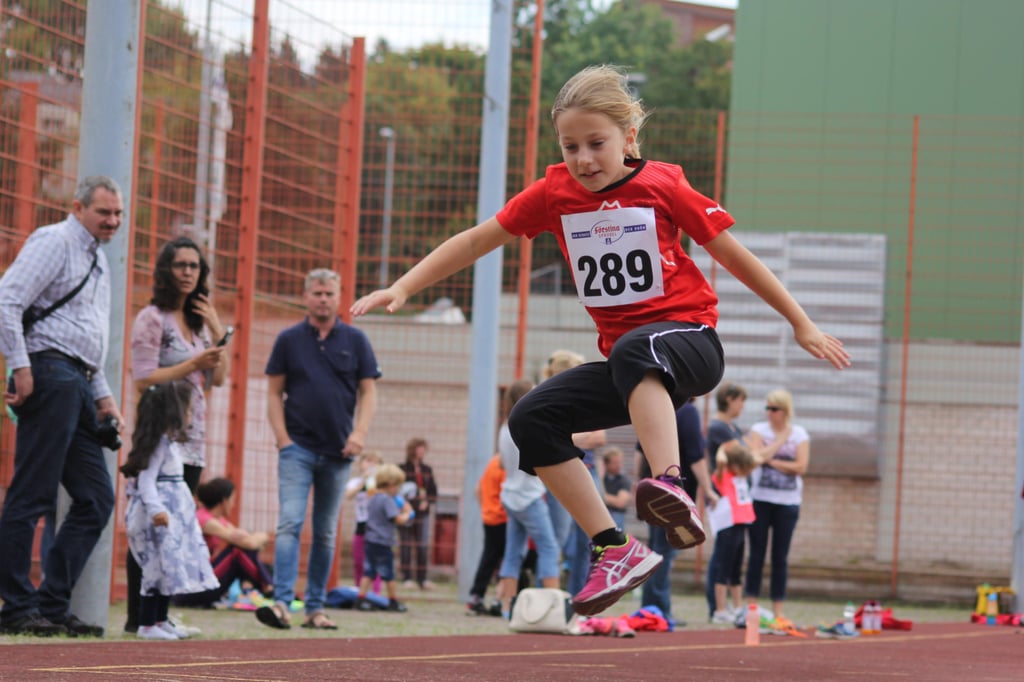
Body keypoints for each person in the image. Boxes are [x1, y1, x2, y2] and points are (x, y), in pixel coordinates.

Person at [351, 65, 850, 616]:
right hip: (633, 369)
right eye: (571, 147)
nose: (584, 159)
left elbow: (734, 255)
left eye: (597, 144)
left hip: (691, 343)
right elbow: (477, 239)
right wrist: (403, 285)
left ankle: (670, 484)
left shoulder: (663, 184)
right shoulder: (554, 194)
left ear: (629, 138)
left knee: (637, 345)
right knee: (529, 422)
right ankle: (614, 549)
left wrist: (799, 321)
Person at [0, 175, 125, 637]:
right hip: (49, 373)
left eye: (118, 214)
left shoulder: (97, 258)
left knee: (95, 498)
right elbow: (7, 298)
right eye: (103, 213)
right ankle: (15, 605)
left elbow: (91, 339)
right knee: (32, 492)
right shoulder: (54, 240)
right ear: (77, 207)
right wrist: (22, 366)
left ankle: (51, 605)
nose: (112, 221)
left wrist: (106, 398)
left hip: (79, 379)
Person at [257, 267, 381, 631]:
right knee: (290, 523)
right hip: (297, 449)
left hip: (339, 452)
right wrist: (282, 438)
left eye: (329, 293)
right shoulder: (288, 340)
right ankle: (281, 604)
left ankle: (314, 608)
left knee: (326, 531)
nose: (323, 299)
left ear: (338, 297)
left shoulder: (356, 341)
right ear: (305, 296)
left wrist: (360, 433)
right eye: (317, 293)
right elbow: (272, 392)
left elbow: (369, 392)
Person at [125, 236, 228, 632]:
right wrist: (193, 362)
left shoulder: (200, 322)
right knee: (150, 524)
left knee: (176, 527)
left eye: (195, 266)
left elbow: (217, 377)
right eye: (181, 265)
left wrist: (217, 330)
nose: (188, 272)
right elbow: (143, 377)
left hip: (193, 437)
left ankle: (161, 617)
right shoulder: (153, 318)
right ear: (166, 270)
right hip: (159, 436)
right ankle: (139, 619)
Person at [121, 381, 219, 640]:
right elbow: (145, 482)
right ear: (172, 413)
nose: (189, 417)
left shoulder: (170, 444)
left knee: (167, 569)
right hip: (160, 518)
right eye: (186, 411)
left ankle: (161, 619)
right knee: (154, 568)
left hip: (173, 516)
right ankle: (146, 623)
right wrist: (156, 509)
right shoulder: (158, 446)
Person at [638, 397, 716, 626]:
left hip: (651, 489)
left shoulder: (653, 406)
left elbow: (639, 450)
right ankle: (659, 609)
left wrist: (639, 483)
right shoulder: (688, 411)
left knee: (655, 552)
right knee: (666, 553)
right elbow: (695, 456)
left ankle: (649, 607)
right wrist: (708, 490)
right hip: (674, 493)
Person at [541, 349, 609, 597]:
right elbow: (550, 438)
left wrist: (569, 438)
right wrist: (575, 438)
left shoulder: (583, 400)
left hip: (588, 472)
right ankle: (547, 596)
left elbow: (600, 437)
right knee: (556, 538)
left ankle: (581, 596)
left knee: (591, 539)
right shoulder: (547, 400)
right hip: (563, 474)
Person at [494, 379, 562, 618]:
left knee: (514, 551)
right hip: (528, 496)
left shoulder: (504, 427)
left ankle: (507, 605)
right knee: (549, 547)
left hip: (511, 494)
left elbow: (503, 462)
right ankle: (553, 603)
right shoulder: (526, 425)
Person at [744, 389, 809, 621]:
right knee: (756, 554)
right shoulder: (758, 430)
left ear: (785, 411)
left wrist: (770, 459)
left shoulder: (800, 434)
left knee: (780, 557)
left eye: (774, 409)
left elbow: (801, 467)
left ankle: (778, 610)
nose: (769, 413)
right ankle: (751, 607)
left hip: (788, 503)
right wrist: (780, 442)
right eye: (767, 408)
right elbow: (755, 458)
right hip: (760, 500)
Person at [172, 477, 273, 609]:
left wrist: (255, 538)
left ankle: (265, 587)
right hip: (187, 590)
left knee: (244, 553)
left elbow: (247, 541)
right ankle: (269, 587)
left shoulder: (219, 520)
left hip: (200, 583)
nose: (233, 504)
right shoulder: (203, 519)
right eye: (232, 499)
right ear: (224, 501)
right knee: (237, 553)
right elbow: (250, 543)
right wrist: (263, 535)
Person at [703, 381, 748, 619]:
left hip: (740, 499)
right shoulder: (718, 428)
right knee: (724, 551)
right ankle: (717, 606)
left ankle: (734, 605)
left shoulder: (735, 429)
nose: (742, 405)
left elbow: (745, 461)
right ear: (730, 399)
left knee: (737, 552)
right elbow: (744, 458)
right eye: (741, 400)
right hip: (723, 497)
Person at [709, 441, 758, 624]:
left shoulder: (741, 476)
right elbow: (721, 460)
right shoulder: (723, 476)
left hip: (741, 524)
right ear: (734, 464)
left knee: (737, 569)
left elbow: (756, 458)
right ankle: (720, 610)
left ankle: (738, 608)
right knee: (724, 567)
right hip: (727, 525)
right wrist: (724, 448)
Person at [355, 463, 413, 613]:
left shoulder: (373, 497)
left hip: (370, 540)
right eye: (398, 487)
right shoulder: (387, 500)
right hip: (383, 542)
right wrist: (407, 513)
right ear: (392, 484)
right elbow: (397, 519)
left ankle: (361, 599)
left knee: (369, 571)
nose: (398, 490)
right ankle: (393, 601)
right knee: (389, 573)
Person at [467, 451, 507, 616]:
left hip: (489, 517)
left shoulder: (493, 462)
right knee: (509, 558)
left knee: (489, 557)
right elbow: (508, 492)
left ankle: (476, 596)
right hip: (504, 517)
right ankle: (499, 599)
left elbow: (478, 489)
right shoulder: (507, 465)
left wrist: (485, 508)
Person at [398, 437, 438, 590]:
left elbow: (433, 491)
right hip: (407, 512)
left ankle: (422, 579)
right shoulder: (402, 469)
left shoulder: (427, 470)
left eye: (424, 449)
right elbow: (400, 492)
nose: (422, 452)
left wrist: (427, 501)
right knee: (406, 545)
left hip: (423, 514)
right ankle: (407, 578)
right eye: (419, 448)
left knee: (422, 545)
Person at [344, 450, 383, 591]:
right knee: (359, 560)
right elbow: (349, 494)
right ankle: (358, 590)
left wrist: (374, 482)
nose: (371, 465)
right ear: (360, 464)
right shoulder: (355, 482)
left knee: (375, 561)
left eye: (375, 462)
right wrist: (363, 481)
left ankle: (375, 592)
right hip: (361, 525)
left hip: (376, 526)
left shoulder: (381, 484)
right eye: (367, 461)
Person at [601, 446, 632, 529]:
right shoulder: (601, 478)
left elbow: (620, 503)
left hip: (616, 514)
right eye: (615, 463)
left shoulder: (624, 480)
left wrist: (601, 497)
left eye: (620, 462)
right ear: (606, 464)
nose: (619, 465)